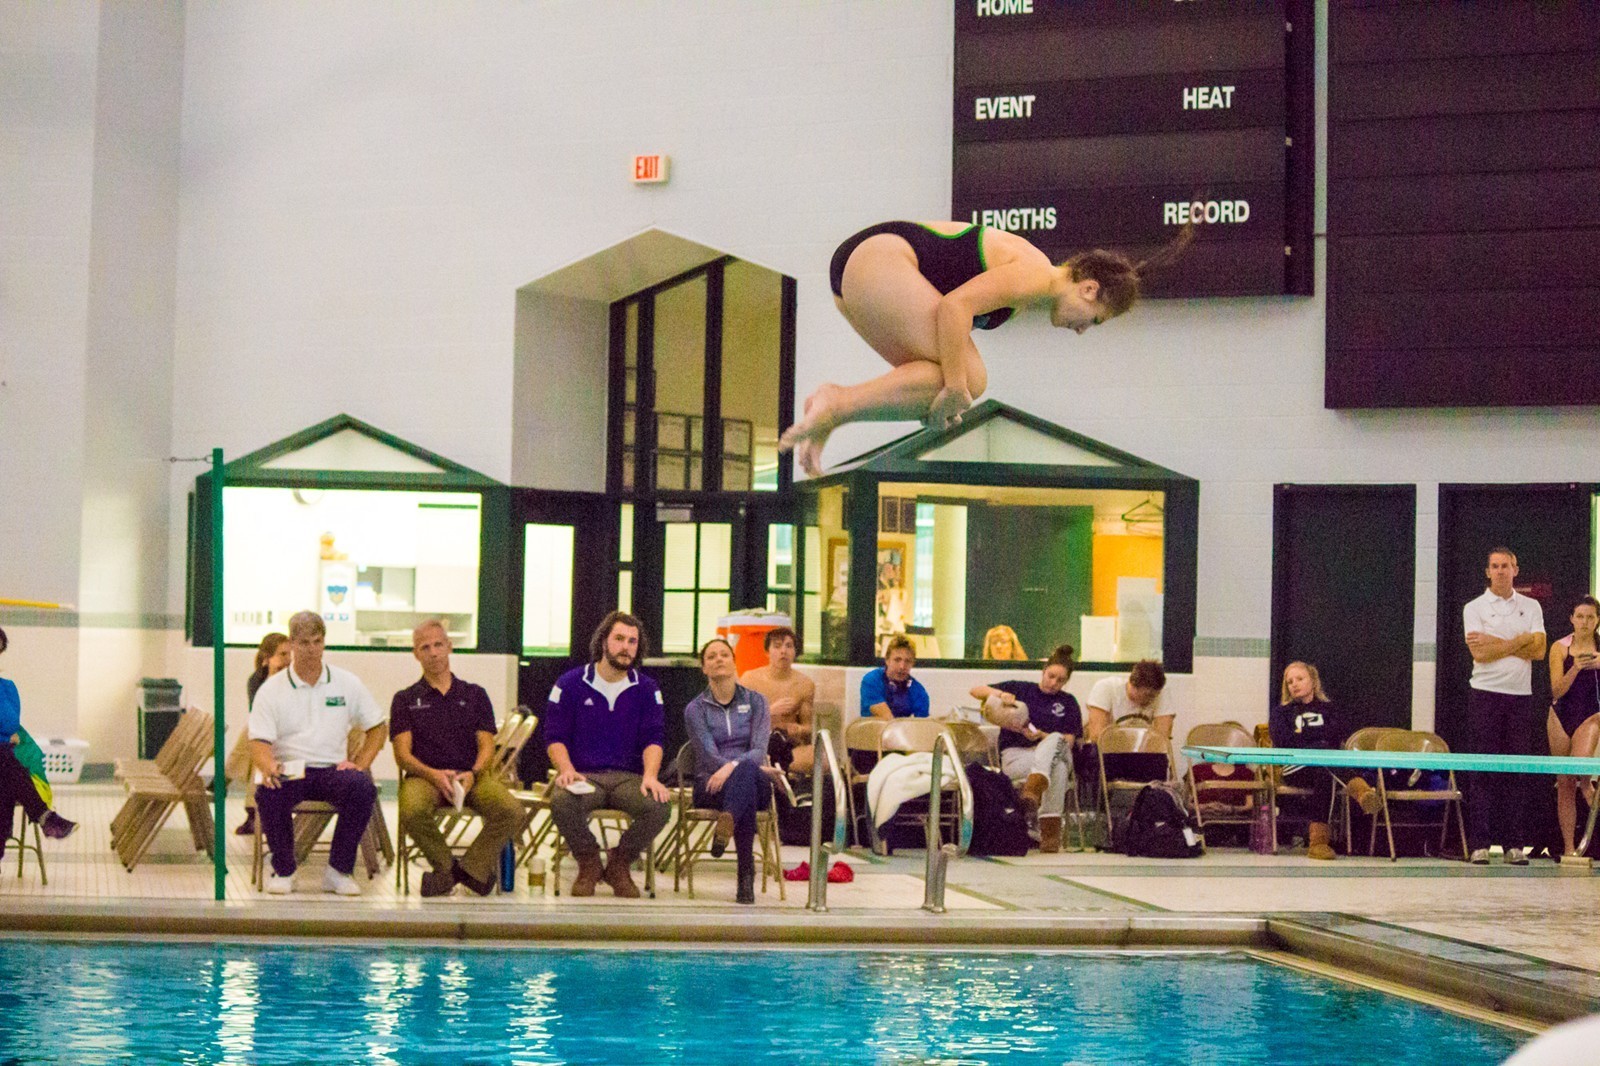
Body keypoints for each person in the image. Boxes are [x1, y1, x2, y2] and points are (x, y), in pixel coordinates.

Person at [777, 220, 1191, 475]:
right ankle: (837, 403)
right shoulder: (1036, 273)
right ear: (1088, 289)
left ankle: (836, 411)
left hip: (860, 270)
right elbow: (954, 309)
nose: (1083, 331)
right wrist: (957, 389)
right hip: (881, 258)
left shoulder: (1028, 288)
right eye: (1094, 320)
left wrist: (939, 404)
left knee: (943, 378)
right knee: (971, 377)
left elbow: (943, 351)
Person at [249, 611, 386, 895]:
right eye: (303, 643)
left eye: (317, 641)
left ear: (324, 642)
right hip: (290, 766)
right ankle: (285, 871)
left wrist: (361, 764)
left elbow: (378, 727)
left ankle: (338, 871)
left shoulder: (346, 683)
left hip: (331, 767)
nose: (311, 649)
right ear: (292, 644)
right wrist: (268, 766)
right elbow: (258, 742)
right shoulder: (271, 690)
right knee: (268, 792)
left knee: (362, 788)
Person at [392, 620, 528, 897]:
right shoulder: (404, 699)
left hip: (472, 776)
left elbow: (487, 746)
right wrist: (433, 774)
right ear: (416, 654)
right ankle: (451, 868)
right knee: (411, 811)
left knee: (512, 810)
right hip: (424, 777)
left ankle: (467, 870)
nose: (433, 652)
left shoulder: (474, 694)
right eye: (425, 647)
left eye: (438, 645)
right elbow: (402, 755)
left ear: (449, 647)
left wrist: (473, 774)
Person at [544, 610, 671, 898]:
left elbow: (654, 739)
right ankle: (588, 863)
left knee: (660, 806)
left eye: (632, 641)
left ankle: (619, 863)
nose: (626, 646)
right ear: (604, 642)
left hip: (629, 778)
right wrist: (565, 769)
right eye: (619, 639)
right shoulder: (570, 683)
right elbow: (554, 737)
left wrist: (651, 776)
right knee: (562, 801)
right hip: (584, 776)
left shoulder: (647, 689)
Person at [1462, 546, 1545, 866]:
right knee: (1483, 770)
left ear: (1515, 569)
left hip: (1520, 697)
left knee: (1515, 772)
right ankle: (1480, 843)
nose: (1500, 571)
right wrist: (1520, 641)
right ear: (1487, 572)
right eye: (1494, 566)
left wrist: (1500, 643)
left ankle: (1514, 845)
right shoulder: (1474, 607)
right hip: (1485, 694)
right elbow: (1479, 654)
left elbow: (1539, 651)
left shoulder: (1531, 606)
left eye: (1505, 565)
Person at [684, 638, 783, 904]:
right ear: (704, 668)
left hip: (749, 778)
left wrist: (732, 766)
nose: (718, 659)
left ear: (734, 661)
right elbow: (706, 755)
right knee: (746, 785)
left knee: (748, 772)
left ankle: (728, 821)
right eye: (711, 656)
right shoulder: (695, 709)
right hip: (710, 785)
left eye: (724, 655)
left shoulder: (757, 702)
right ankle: (745, 875)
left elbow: (759, 748)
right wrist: (733, 767)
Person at [970, 643, 1081, 852]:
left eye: (1060, 680)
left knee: (1056, 741)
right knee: (1057, 769)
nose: (1053, 683)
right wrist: (1001, 695)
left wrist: (1042, 736)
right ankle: (1049, 833)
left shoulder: (1068, 703)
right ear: (1043, 671)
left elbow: (1069, 742)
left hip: (1053, 751)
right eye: (1051, 676)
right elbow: (975, 691)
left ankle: (1034, 786)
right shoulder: (1021, 689)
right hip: (1018, 757)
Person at [1268, 661, 1381, 861]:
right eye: (1289, 682)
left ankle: (1318, 844)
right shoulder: (1281, 713)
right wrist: (1317, 739)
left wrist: (1305, 736)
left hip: (1324, 765)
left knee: (1324, 773)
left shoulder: (1330, 709)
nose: (1294, 684)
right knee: (1324, 750)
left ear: (1313, 681)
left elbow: (1338, 734)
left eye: (1299, 679)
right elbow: (1284, 741)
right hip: (1295, 767)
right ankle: (1362, 791)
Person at [0, 627, 76, 851]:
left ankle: (43, 818)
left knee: (4, 774)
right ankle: (45, 817)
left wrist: (5, 737)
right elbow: (8, 733)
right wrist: (5, 738)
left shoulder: (7, 688)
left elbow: (11, 726)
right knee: (6, 764)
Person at [1547, 596, 1600, 858]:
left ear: (1598, 620)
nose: (1585, 622)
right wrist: (1576, 668)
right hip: (1560, 714)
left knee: (1582, 773)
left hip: (1591, 715)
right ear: (1571, 619)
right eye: (1580, 616)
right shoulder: (1560, 648)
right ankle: (1569, 848)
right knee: (1565, 782)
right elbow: (1556, 690)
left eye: (1591, 617)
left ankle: (1594, 835)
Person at [229, 632, 291, 836]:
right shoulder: (257, 680)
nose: (288, 660)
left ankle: (225, 777)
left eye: (290, 654)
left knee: (253, 740)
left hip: (290, 735)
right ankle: (253, 814)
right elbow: (259, 713)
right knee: (256, 745)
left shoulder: (294, 680)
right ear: (267, 658)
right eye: (282, 655)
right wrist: (273, 678)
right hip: (268, 734)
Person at [739, 627, 816, 776]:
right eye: (777, 646)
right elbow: (738, 721)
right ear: (767, 652)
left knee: (821, 759)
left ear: (795, 652)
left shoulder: (805, 684)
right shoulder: (749, 679)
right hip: (755, 744)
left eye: (789, 646)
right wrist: (769, 711)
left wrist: (798, 729)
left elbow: (808, 728)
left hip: (788, 746)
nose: (783, 651)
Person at [1084, 659, 1173, 742]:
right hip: (1108, 751)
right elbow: (1097, 735)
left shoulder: (1162, 692)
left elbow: (1162, 738)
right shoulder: (1106, 688)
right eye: (1147, 695)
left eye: (1155, 696)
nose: (1151, 700)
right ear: (1133, 686)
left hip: (1143, 752)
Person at [860, 635, 929, 719]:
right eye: (897, 660)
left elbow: (921, 726)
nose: (902, 666)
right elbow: (887, 719)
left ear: (913, 664)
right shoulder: (872, 681)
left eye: (907, 661)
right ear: (887, 660)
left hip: (904, 731)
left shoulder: (919, 692)